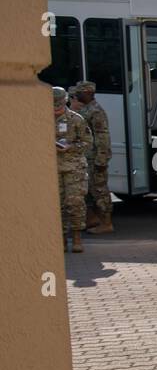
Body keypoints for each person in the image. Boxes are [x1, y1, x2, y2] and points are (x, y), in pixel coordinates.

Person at [52, 86, 92, 253]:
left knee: (75, 203)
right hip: (52, 169)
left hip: (74, 168)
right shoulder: (40, 118)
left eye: (59, 105)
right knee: (56, 206)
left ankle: (76, 238)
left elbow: (88, 142)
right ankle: (60, 241)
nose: (56, 109)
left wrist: (70, 147)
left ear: (65, 101)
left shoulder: (76, 119)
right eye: (53, 106)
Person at [71, 81, 113, 234]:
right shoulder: (86, 110)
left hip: (96, 158)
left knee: (99, 190)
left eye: (79, 93)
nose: (76, 96)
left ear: (88, 93)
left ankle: (106, 222)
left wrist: (101, 159)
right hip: (87, 158)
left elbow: (103, 137)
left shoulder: (96, 111)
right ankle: (95, 219)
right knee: (90, 190)